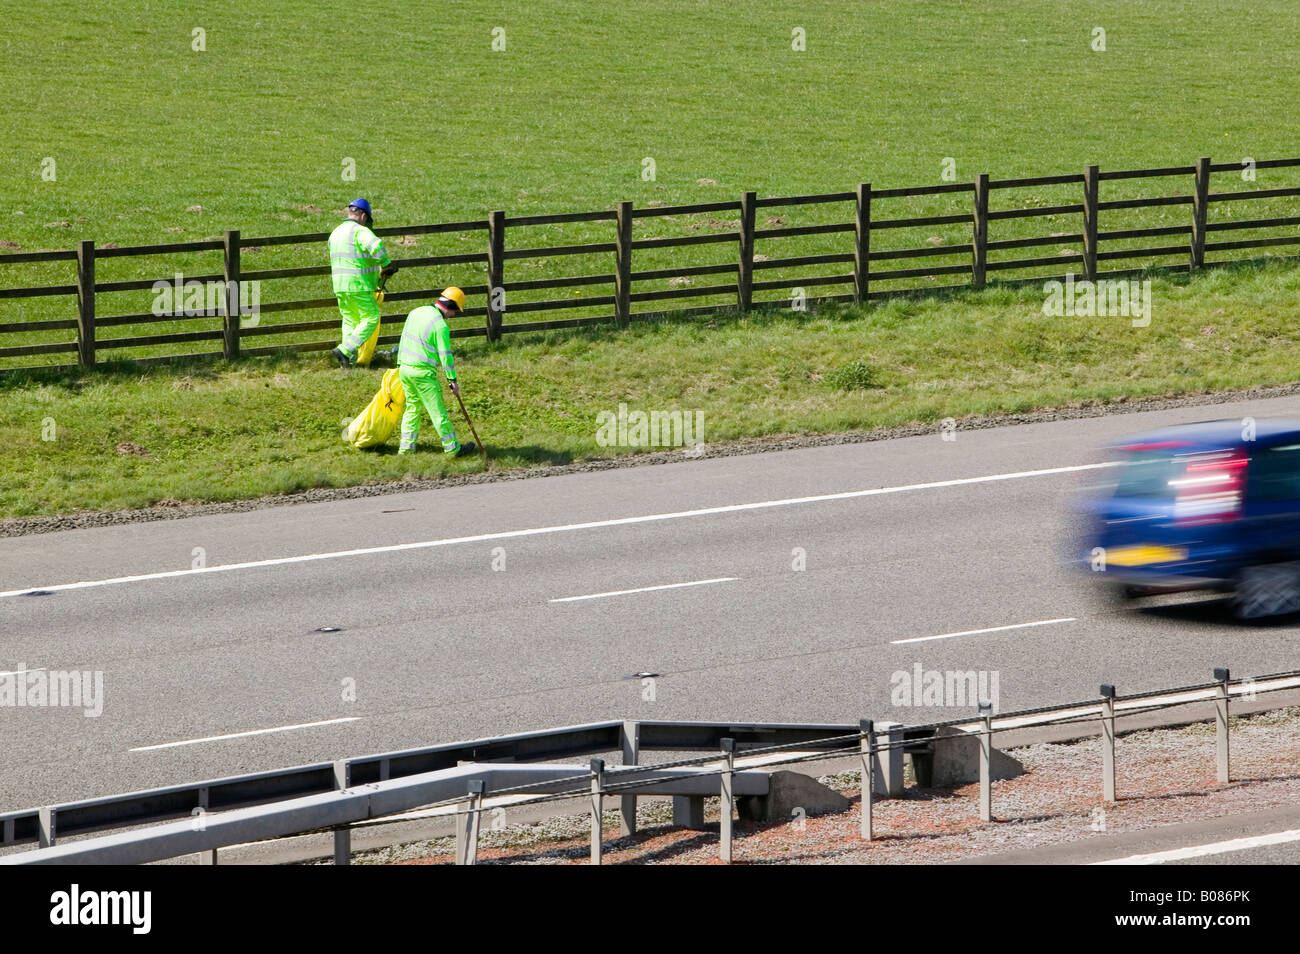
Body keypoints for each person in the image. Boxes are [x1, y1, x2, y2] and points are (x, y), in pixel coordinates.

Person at [397, 287, 477, 457]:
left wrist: (400, 364)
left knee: (412, 408)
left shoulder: (416, 311)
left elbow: (404, 337)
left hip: (404, 368)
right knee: (437, 412)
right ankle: (452, 448)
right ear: (451, 306)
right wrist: (452, 380)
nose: (454, 315)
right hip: (422, 374)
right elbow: (446, 357)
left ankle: (406, 449)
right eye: (455, 311)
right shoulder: (440, 326)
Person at [329, 199, 396, 368]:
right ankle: (344, 350)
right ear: (364, 216)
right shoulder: (359, 231)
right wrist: (386, 264)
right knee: (371, 317)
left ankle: (348, 361)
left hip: (339, 285)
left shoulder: (335, 233)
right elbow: (376, 246)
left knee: (350, 320)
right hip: (358, 284)